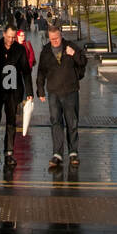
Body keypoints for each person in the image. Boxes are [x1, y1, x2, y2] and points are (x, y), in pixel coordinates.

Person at [35, 22, 87, 169]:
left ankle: (73, 152)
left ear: (61, 35)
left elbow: (83, 61)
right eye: (52, 39)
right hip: (53, 92)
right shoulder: (46, 51)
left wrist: (74, 54)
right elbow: (41, 71)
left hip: (70, 91)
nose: (55, 41)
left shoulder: (70, 46)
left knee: (72, 122)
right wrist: (40, 89)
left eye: (57, 38)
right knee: (56, 122)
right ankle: (57, 153)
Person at [0, 23, 31, 168]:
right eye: (8, 37)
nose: (10, 40)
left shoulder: (20, 49)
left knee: (11, 122)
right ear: (4, 34)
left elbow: (26, 71)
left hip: (12, 91)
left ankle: (9, 153)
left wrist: (29, 93)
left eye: (13, 37)